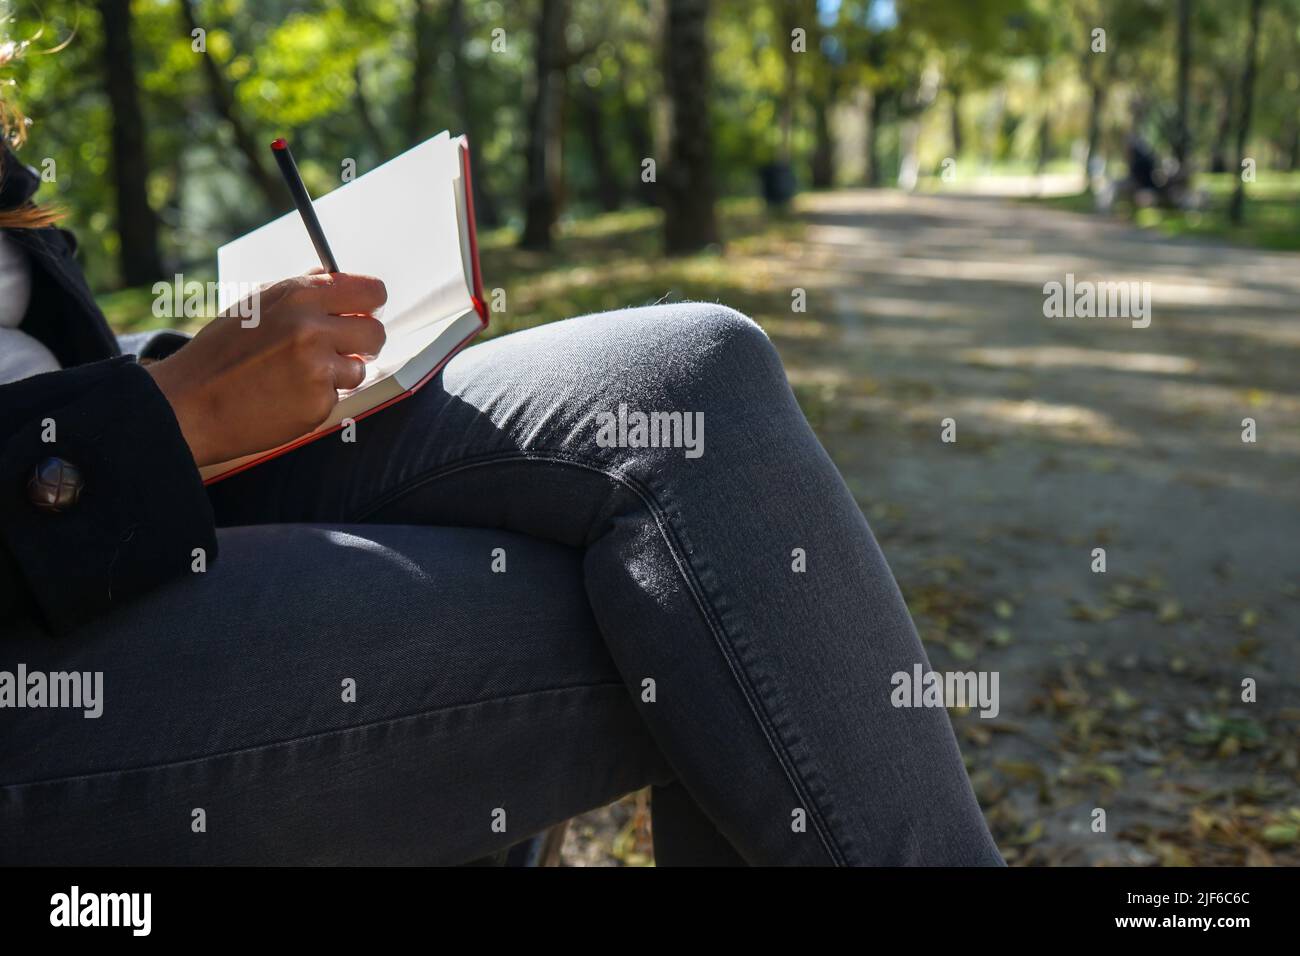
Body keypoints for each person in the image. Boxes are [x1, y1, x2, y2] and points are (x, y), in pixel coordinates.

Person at [0, 110, 1001, 868]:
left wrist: (183, 365)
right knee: (712, 611)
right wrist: (166, 411)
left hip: (125, 494)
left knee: (696, 374)